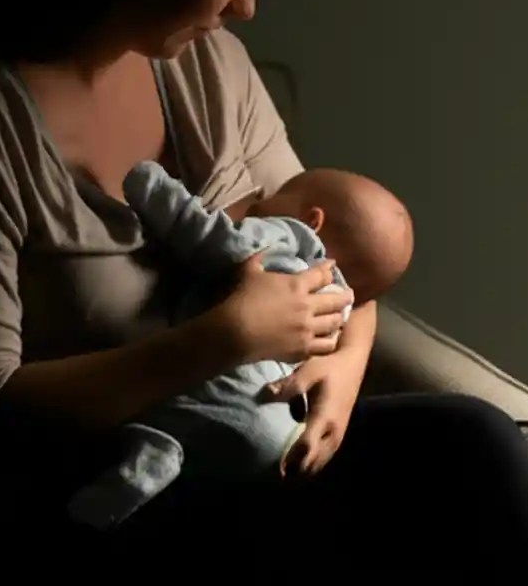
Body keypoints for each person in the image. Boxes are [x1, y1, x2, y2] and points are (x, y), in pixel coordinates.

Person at [0, 0, 528, 584]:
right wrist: (225, 339)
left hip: (234, 469)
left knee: (469, 442)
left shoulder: (212, 70)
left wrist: (344, 359)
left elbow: (327, 249)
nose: (248, 7)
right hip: (64, 511)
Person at [67, 160, 414, 530]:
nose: (260, 199)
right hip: (285, 431)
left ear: (312, 221)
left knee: (182, 411)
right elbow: (364, 284)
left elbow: (211, 238)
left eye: (278, 196)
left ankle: (157, 454)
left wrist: (153, 190)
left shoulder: (286, 240)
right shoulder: (338, 298)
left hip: (228, 395)